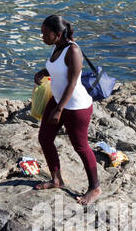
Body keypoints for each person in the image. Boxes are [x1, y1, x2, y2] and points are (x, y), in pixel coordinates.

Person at [33, 14, 101, 207]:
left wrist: (58, 109)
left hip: (76, 107)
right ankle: (57, 180)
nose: (42, 37)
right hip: (58, 101)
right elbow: (57, 69)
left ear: (58, 34)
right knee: (45, 139)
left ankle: (95, 187)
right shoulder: (56, 47)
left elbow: (72, 81)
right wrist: (43, 72)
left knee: (81, 147)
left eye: (46, 34)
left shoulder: (73, 50)